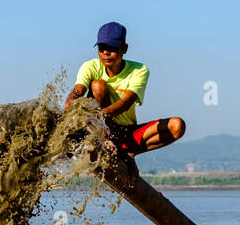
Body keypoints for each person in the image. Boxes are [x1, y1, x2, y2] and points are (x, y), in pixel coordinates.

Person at [63, 21, 185, 159]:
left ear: (124, 48)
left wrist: (100, 116)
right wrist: (69, 104)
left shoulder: (139, 70)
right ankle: (103, 138)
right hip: (100, 128)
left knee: (177, 125)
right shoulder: (90, 66)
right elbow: (78, 91)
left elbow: (126, 102)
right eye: (102, 48)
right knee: (97, 85)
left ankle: (130, 152)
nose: (106, 53)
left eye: (112, 48)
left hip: (126, 131)